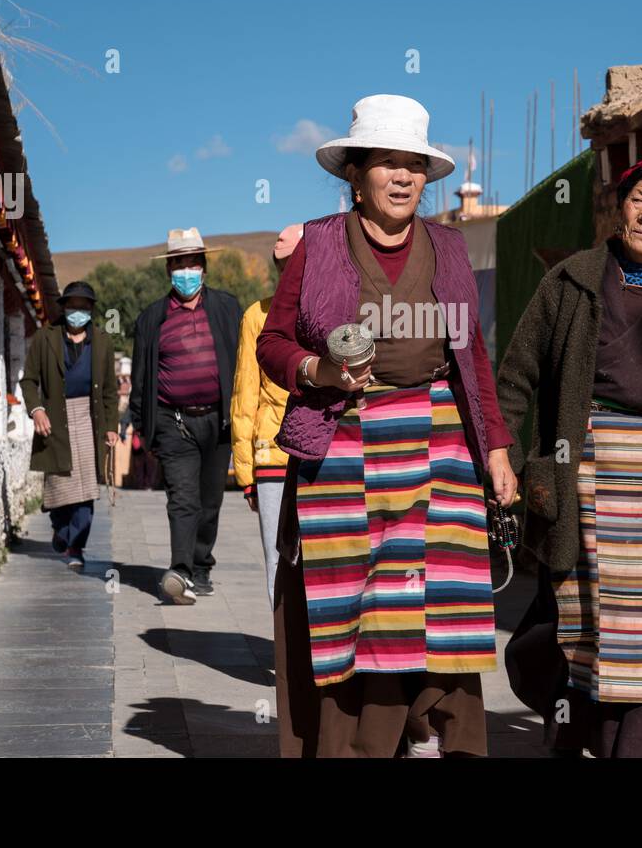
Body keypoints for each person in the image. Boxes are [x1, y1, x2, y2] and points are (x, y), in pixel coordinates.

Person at [257, 94, 518, 757]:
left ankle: (450, 744)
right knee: (356, 616)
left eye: (414, 166)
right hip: (342, 444)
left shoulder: (451, 250)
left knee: (445, 616)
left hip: (440, 446)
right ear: (356, 175)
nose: (402, 177)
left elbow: (473, 356)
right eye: (387, 164)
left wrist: (498, 451)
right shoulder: (317, 246)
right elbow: (274, 341)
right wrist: (316, 368)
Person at [495, 155, 642, 758]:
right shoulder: (572, 282)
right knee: (593, 631)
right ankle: (592, 744)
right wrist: (502, 453)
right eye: (638, 199)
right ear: (619, 205)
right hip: (588, 470)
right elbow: (517, 375)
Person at [128, 228, 241, 604]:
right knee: (182, 498)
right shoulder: (151, 320)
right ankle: (180, 570)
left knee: (210, 500)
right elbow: (142, 379)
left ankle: (202, 563)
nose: (186, 271)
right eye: (178, 264)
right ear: (168, 272)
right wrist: (143, 428)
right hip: (172, 421)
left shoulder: (227, 309)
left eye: (192, 263)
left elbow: (245, 364)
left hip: (219, 420)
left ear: (204, 268)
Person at [19, 281, 120, 570]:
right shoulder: (45, 338)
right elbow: (29, 381)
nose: (78, 311)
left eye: (84, 306)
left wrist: (111, 426)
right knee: (60, 487)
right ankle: (61, 529)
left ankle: (76, 546)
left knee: (87, 490)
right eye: (73, 305)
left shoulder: (102, 341)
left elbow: (110, 390)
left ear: (91, 309)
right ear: (64, 308)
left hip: (90, 418)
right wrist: (36, 409)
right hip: (56, 418)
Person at [231, 224, 303, 608]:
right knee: (277, 560)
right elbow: (245, 396)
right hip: (273, 456)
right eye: (287, 264)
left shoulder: (334, 313)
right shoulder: (256, 316)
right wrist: (245, 474)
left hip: (322, 457)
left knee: (320, 561)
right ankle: (287, 661)